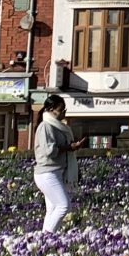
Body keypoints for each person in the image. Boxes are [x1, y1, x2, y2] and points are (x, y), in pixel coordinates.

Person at [33, 94, 85, 232]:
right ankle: (47, 237)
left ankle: (43, 239)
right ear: (51, 109)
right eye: (61, 110)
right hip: (47, 173)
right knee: (63, 205)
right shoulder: (46, 126)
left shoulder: (58, 127)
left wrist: (72, 145)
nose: (63, 113)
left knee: (52, 209)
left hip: (56, 172)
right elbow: (49, 150)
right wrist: (70, 147)